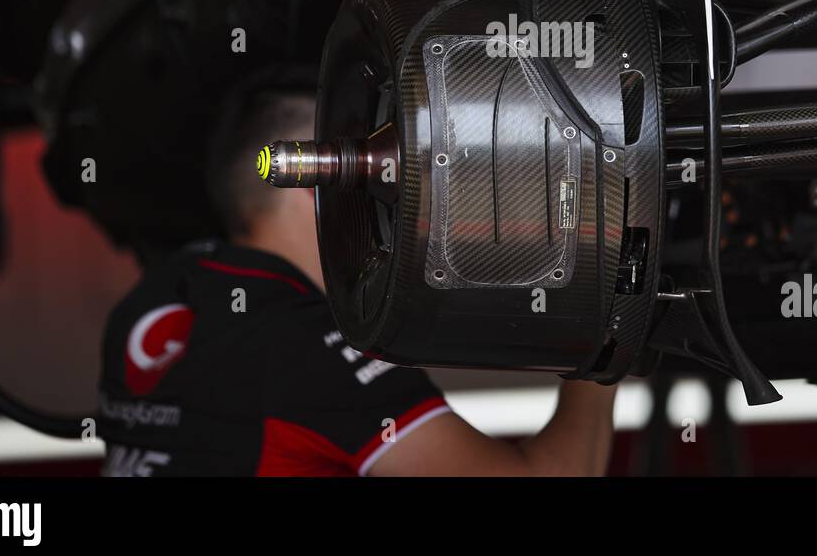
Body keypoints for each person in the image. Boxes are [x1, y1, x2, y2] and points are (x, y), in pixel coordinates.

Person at [97, 87, 618, 476]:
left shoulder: (154, 296)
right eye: (368, 171)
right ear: (314, 187)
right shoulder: (306, 347)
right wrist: (609, 317)